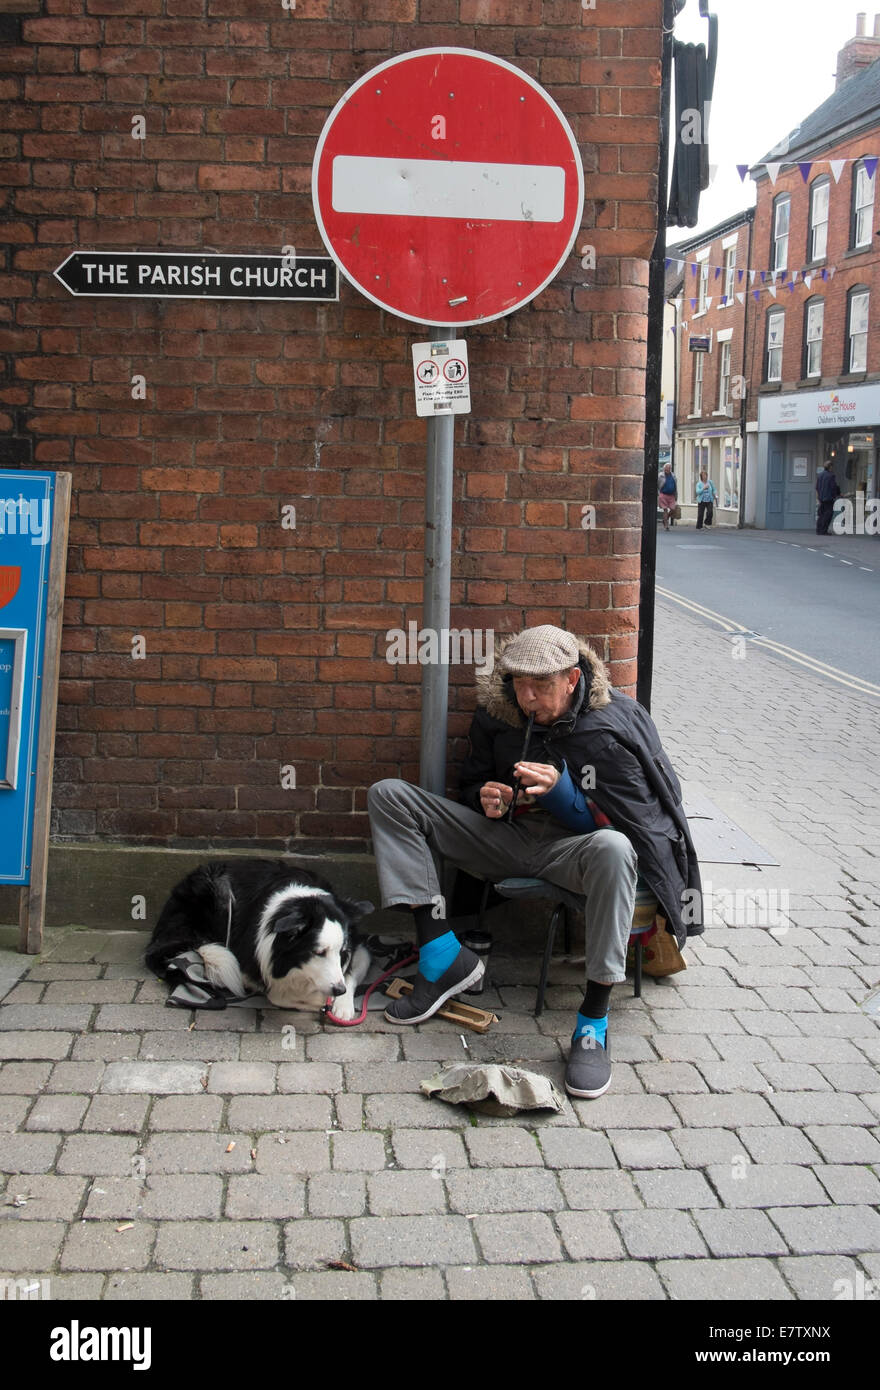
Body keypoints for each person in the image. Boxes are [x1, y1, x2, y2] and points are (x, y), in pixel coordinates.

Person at [367, 625, 702, 1101]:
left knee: (615, 849)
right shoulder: (497, 716)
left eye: (540, 687)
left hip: (575, 851)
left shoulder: (613, 721)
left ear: (571, 678)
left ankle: (592, 1023)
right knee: (390, 796)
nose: (527, 698)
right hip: (505, 838)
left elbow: (640, 821)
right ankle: (442, 955)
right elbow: (471, 784)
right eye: (518, 684)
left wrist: (567, 793)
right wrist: (487, 798)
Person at [816, 460, 840, 535]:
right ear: (830, 467)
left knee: (821, 514)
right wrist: (837, 494)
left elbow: (817, 487)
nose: (832, 468)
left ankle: (818, 530)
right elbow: (833, 487)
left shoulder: (820, 475)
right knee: (828, 514)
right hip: (828, 498)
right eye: (832, 467)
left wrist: (819, 497)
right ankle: (824, 530)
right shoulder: (831, 475)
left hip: (821, 498)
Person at [658, 463, 677, 530]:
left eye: (669, 468)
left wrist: (676, 495)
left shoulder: (673, 475)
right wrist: (658, 493)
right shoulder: (660, 475)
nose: (667, 469)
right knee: (665, 510)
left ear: (670, 469)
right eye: (666, 468)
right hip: (663, 494)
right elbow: (657, 484)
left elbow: (675, 486)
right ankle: (666, 525)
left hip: (671, 495)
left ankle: (665, 519)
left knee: (673, 509)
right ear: (664, 468)